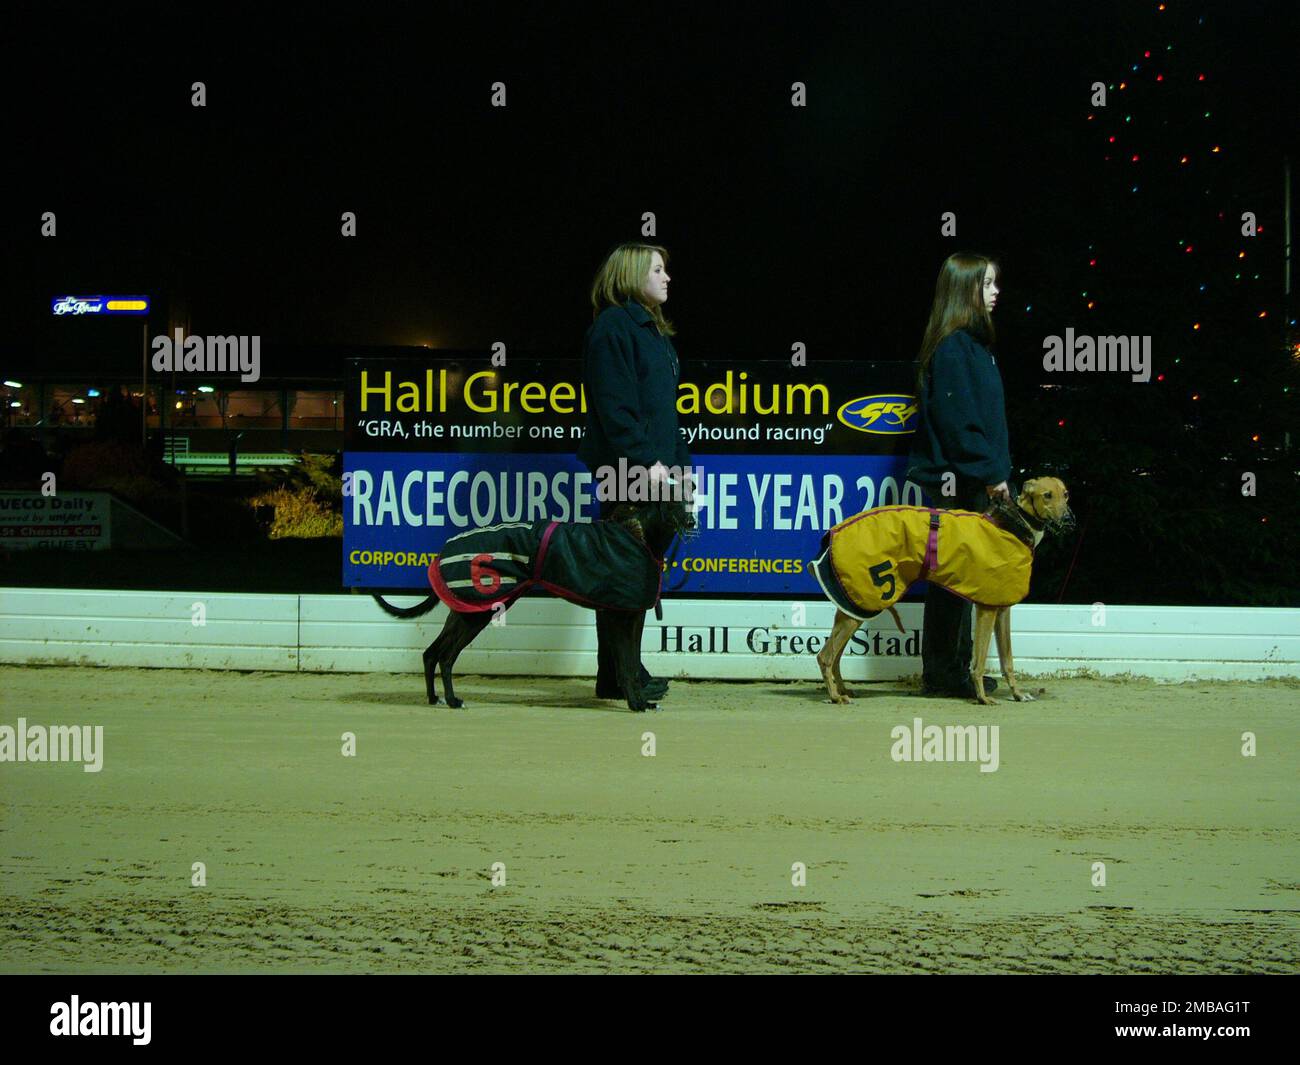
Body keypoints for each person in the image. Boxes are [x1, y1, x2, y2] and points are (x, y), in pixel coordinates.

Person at [578, 242, 691, 701]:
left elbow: (664, 414)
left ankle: (625, 671)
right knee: (623, 577)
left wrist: (681, 471)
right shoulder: (612, 329)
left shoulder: (653, 332)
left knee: (640, 576)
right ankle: (618, 676)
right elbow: (616, 412)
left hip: (660, 474)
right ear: (630, 275)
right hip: (631, 473)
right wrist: (650, 466)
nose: (667, 278)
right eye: (658, 270)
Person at [906, 253, 1011, 698]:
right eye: (986, 284)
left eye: (994, 283)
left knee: (966, 577)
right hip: (957, 482)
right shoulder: (952, 348)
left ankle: (959, 669)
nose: (995, 291)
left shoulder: (974, 347)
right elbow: (958, 424)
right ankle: (943, 672)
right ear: (964, 290)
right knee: (952, 578)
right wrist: (991, 475)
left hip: (972, 479)